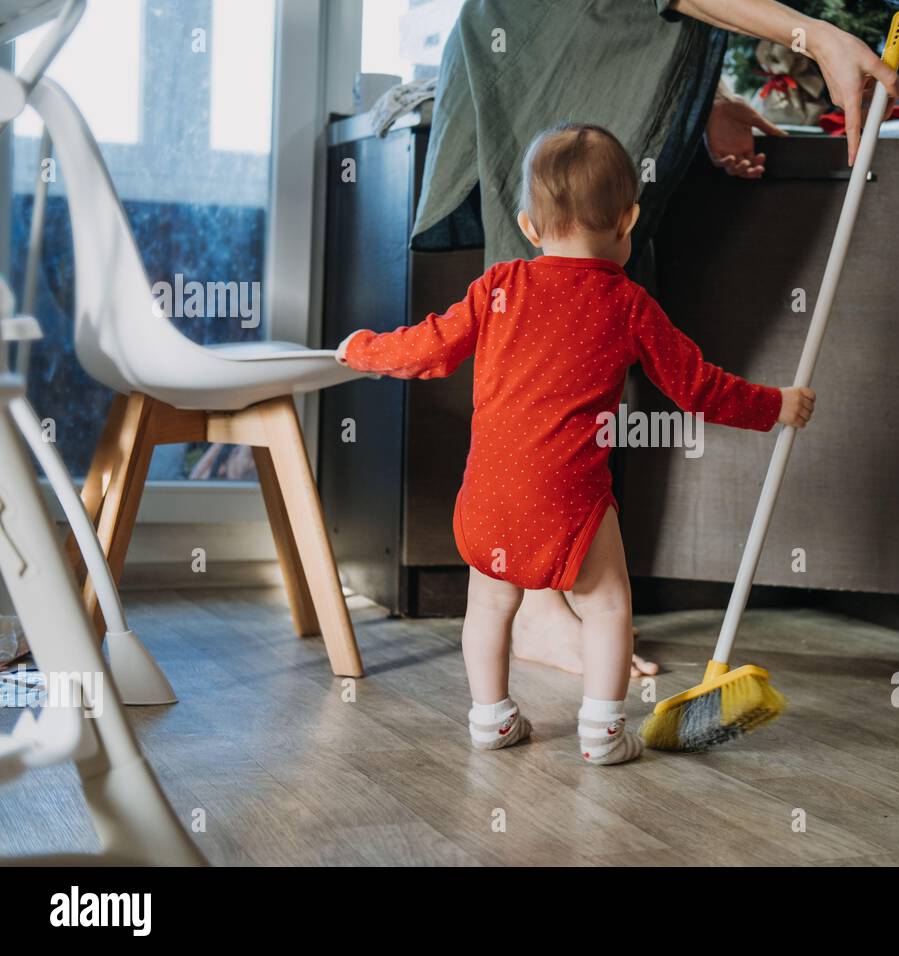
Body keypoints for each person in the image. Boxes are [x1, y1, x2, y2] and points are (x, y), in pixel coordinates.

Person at [405, 0, 898, 677]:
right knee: (546, 297)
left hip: (589, 40)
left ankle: (542, 608)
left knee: (566, 310)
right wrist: (813, 37)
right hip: (538, 39)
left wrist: (704, 97)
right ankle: (542, 611)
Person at [339, 125, 816, 763]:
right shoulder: (627, 303)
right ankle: (602, 730)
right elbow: (698, 389)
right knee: (609, 604)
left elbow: (427, 348)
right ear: (629, 219)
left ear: (529, 226)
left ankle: (491, 718)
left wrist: (361, 349)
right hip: (570, 501)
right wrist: (775, 405)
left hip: (487, 496)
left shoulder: (498, 287)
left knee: (486, 608)